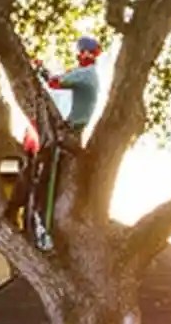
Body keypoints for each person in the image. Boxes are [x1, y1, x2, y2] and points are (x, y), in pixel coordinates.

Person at [11, 36, 103, 248]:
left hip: (68, 131)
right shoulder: (82, 73)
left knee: (46, 180)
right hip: (68, 129)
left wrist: (40, 70)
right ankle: (25, 216)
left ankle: (44, 233)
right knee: (38, 173)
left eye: (85, 52)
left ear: (90, 54)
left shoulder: (86, 74)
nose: (82, 55)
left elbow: (54, 82)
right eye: (82, 51)